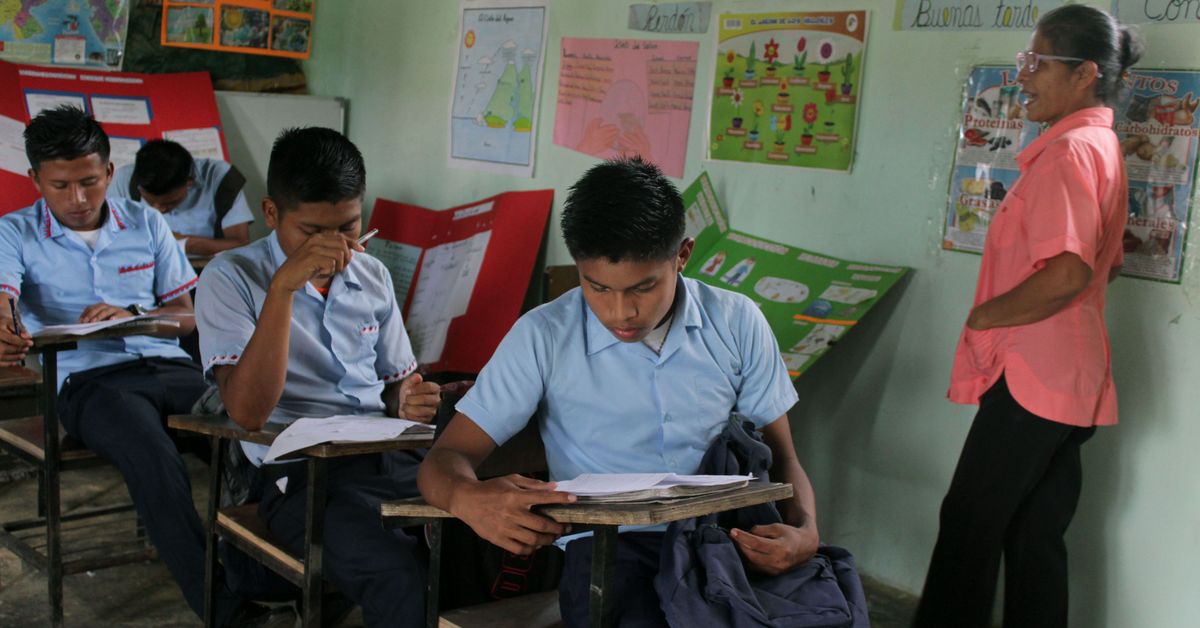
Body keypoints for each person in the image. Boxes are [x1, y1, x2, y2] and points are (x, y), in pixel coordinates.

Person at [417, 156, 819, 626]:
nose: (620, 312)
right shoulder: (543, 335)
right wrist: (468, 499)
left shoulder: (736, 321)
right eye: (598, 288)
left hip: (724, 540)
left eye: (644, 288)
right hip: (610, 551)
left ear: (683, 255)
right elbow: (441, 464)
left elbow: (784, 461)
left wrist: (806, 533)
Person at [913, 6, 1144, 628]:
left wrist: (987, 315)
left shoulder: (1071, 151)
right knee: (1033, 533)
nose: (1025, 76)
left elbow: (1067, 273)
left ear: (1085, 74)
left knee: (970, 522)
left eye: (1039, 62)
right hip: (1072, 374)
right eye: (1026, 61)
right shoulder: (1101, 145)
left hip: (1033, 377)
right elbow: (1107, 266)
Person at [0, 106, 274, 626]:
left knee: (251, 431)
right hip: (88, 382)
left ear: (109, 172)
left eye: (89, 182)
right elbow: (3, 296)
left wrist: (137, 314)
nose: (78, 200)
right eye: (60, 186)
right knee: (152, 457)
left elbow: (188, 319)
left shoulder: (146, 221)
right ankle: (225, 610)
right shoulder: (14, 233)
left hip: (168, 368)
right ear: (36, 179)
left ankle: (262, 573)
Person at [195, 126, 443, 626]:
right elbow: (247, 412)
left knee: (481, 546)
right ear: (271, 214)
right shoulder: (229, 277)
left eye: (349, 228)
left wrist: (406, 399)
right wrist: (284, 288)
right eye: (311, 233)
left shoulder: (370, 274)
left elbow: (397, 382)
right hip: (302, 475)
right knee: (399, 577)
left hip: (385, 455)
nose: (334, 249)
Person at [111, 139, 254, 256]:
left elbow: (240, 245)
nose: (157, 209)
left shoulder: (219, 178)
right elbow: (111, 241)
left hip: (208, 273)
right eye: (149, 201)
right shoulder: (123, 180)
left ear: (189, 182)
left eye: (168, 203)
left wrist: (181, 242)